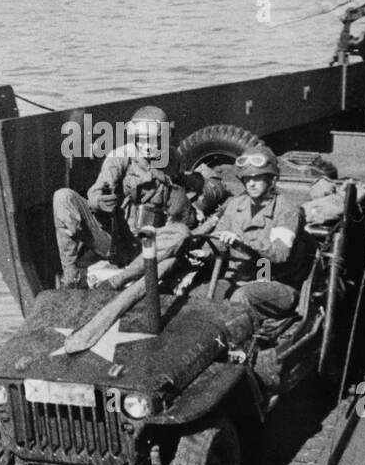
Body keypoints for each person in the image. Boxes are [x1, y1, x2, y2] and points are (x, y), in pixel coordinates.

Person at [52, 105, 194, 289]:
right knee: (63, 197)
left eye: (154, 140)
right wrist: (100, 203)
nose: (147, 146)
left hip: (150, 239)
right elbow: (95, 192)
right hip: (117, 239)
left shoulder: (173, 158)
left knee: (182, 233)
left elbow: (182, 184)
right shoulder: (120, 157)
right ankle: (71, 276)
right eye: (141, 140)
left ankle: (118, 280)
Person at [191, 147, 307, 328]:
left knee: (241, 298)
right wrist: (206, 253)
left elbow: (279, 253)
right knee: (199, 295)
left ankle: (240, 351)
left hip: (275, 282)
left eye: (257, 178)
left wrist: (241, 239)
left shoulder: (287, 210)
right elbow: (218, 239)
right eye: (247, 178)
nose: (251, 183)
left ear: (272, 179)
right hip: (238, 278)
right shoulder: (236, 204)